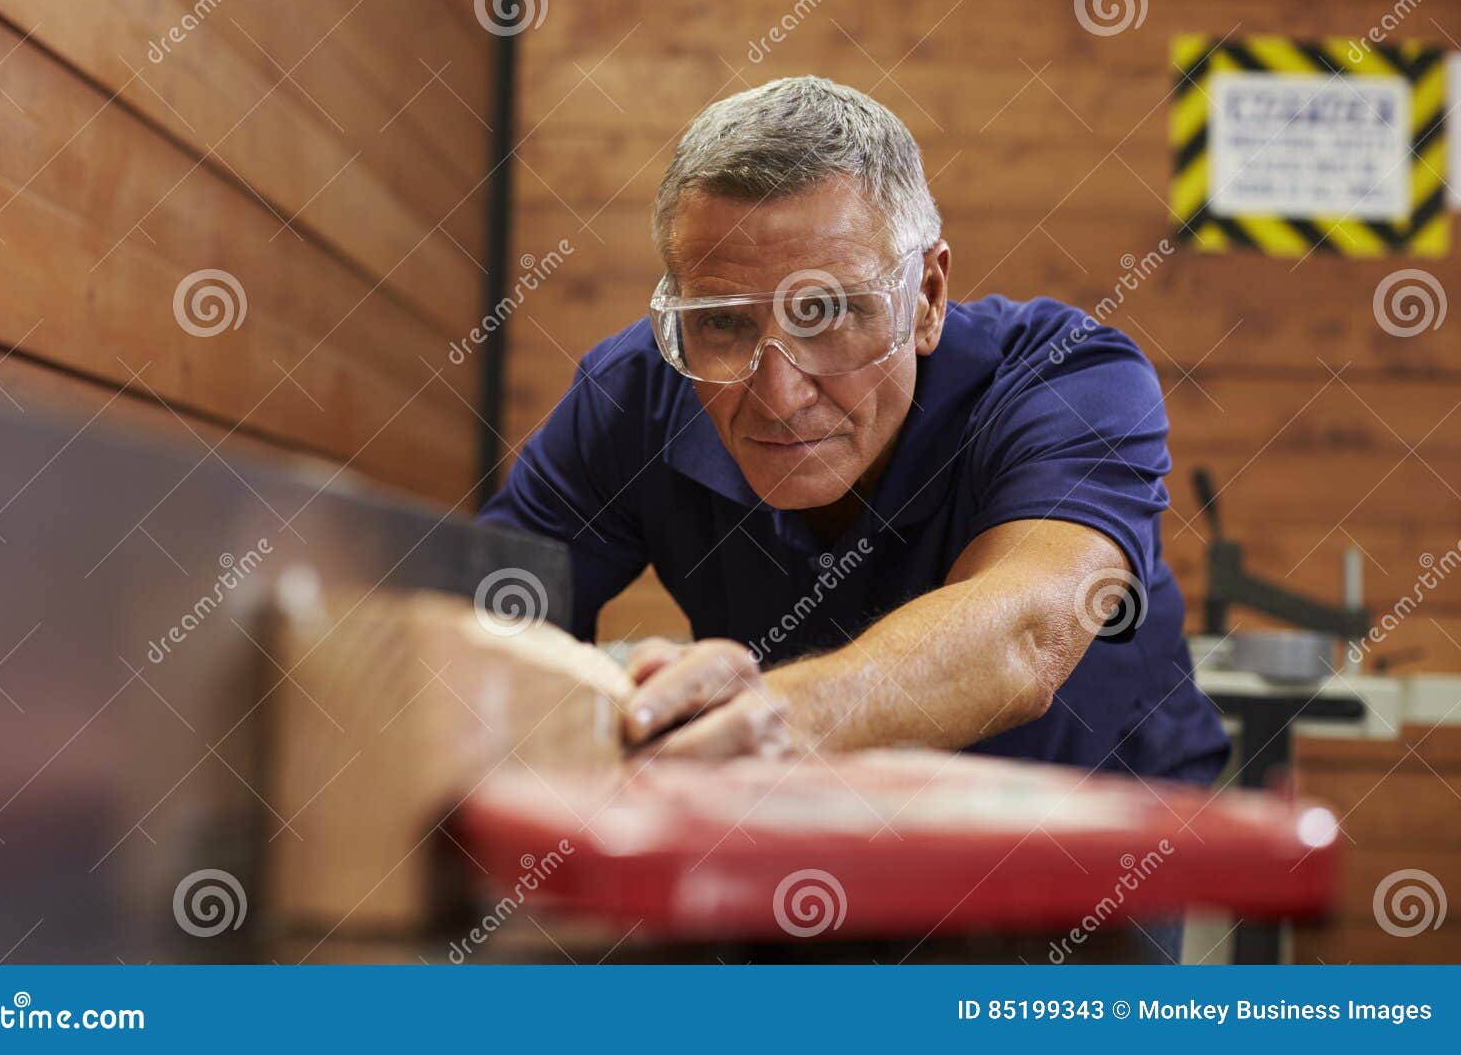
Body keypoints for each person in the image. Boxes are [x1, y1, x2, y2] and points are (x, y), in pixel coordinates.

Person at [480, 75, 1229, 787]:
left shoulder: (1070, 380)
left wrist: (781, 715)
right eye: (722, 323)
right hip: (814, 829)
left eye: (829, 313)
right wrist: (618, 696)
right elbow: (489, 618)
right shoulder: (634, 393)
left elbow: (1024, 634)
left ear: (927, 297)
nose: (777, 394)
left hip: (1093, 836)